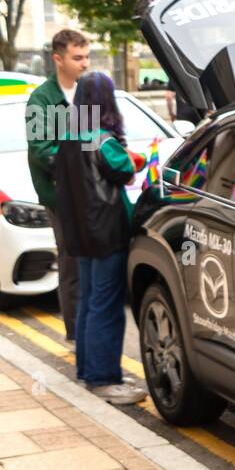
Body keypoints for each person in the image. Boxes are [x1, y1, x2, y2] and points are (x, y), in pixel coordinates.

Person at [52, 72, 147, 406]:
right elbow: (123, 170)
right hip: (107, 231)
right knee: (107, 306)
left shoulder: (67, 134)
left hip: (79, 232)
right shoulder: (101, 138)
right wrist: (137, 160)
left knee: (90, 301)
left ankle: (87, 371)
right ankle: (104, 378)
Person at [26, 29, 90, 341]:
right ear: (58, 59)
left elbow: (89, 143)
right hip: (60, 195)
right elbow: (41, 150)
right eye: (77, 57)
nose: (85, 63)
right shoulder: (42, 99)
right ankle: (76, 333)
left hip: (87, 193)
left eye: (86, 56)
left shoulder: (84, 94)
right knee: (73, 263)